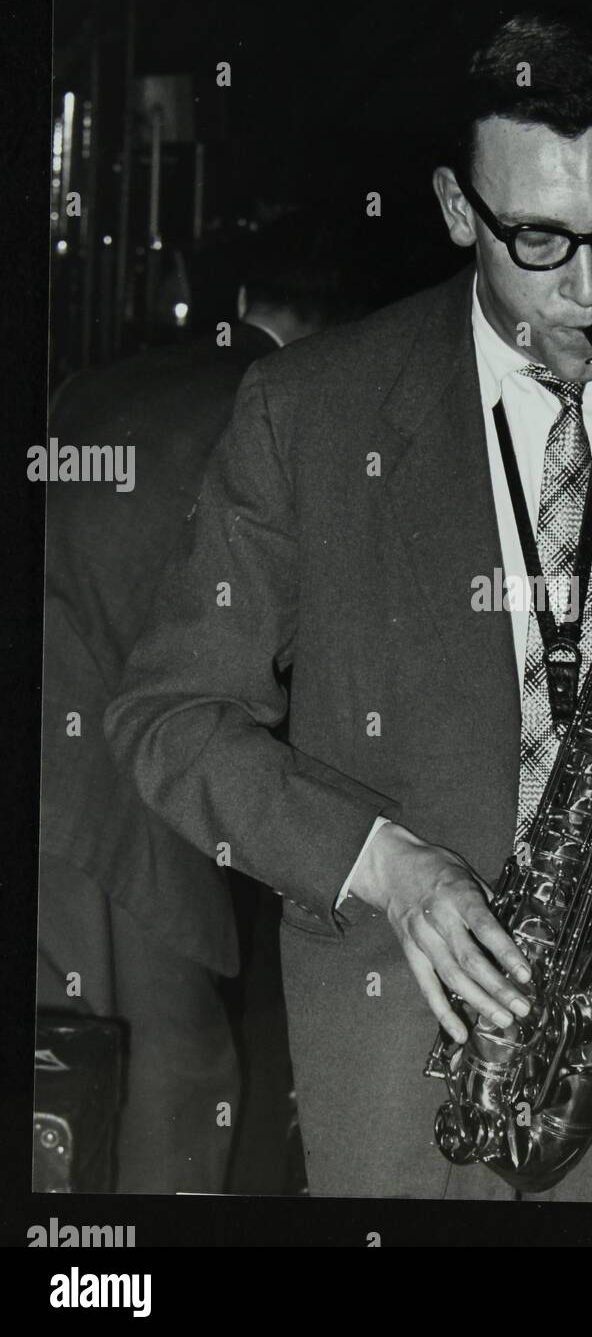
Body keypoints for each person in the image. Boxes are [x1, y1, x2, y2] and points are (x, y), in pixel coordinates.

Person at [106, 12, 592, 1203]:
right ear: (456, 207)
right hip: (393, 1067)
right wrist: (377, 862)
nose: (587, 291)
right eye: (537, 237)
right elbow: (167, 716)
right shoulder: (306, 411)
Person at [38, 209, 353, 1193]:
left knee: (60, 1065)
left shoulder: (109, 380)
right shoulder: (272, 409)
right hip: (94, 771)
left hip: (63, 736)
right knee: (178, 1067)